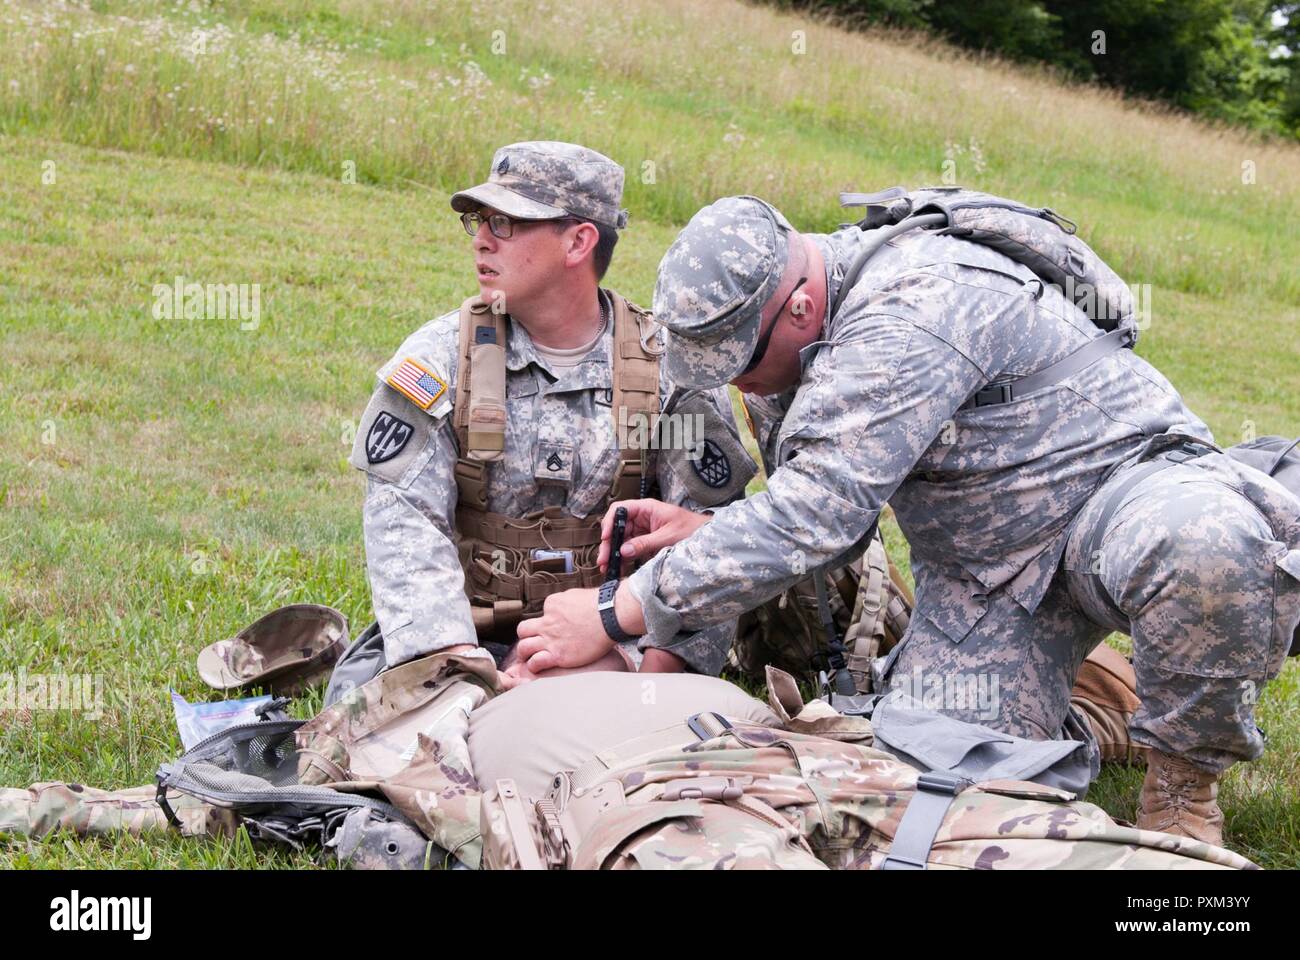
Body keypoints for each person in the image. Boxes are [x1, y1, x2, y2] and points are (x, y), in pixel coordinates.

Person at [510, 192, 1300, 845]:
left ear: (801, 306)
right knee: (934, 780)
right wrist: (710, 536)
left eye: (741, 366)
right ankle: (1102, 707)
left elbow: (816, 515)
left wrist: (615, 611)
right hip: (989, 576)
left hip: (1117, 498)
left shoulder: (913, 304)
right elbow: (832, 524)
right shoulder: (798, 345)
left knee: (1202, 544)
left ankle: (1183, 784)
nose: (742, 388)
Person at [349, 142, 754, 683]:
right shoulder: (441, 359)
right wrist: (463, 676)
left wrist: (645, 671)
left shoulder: (668, 372)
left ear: (578, 241)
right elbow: (404, 532)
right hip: (459, 652)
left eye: (507, 223)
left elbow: (708, 547)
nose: (482, 241)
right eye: (480, 220)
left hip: (617, 658)